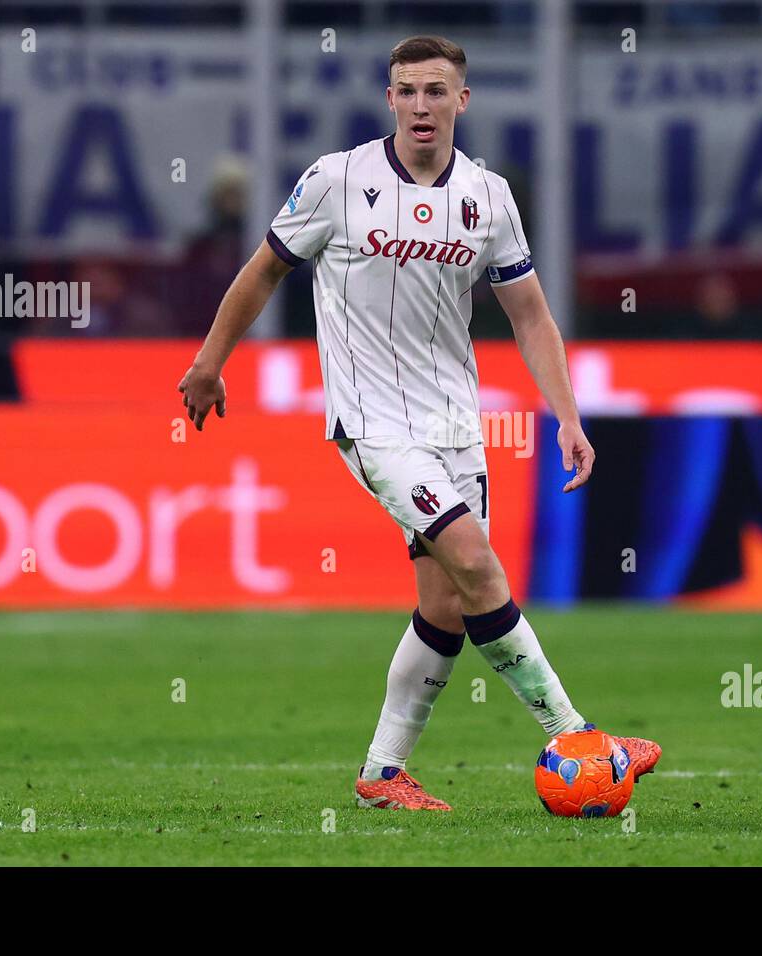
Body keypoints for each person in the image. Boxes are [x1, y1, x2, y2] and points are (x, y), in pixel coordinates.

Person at [178, 35, 660, 810]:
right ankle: (579, 736)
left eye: (436, 90)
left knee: (447, 605)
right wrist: (210, 362)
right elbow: (264, 269)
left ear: (462, 100)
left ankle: (381, 774)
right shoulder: (336, 180)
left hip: (455, 425)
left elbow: (530, 316)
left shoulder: (488, 197)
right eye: (406, 90)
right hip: (373, 423)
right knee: (478, 565)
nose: (421, 105)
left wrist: (567, 416)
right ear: (390, 99)